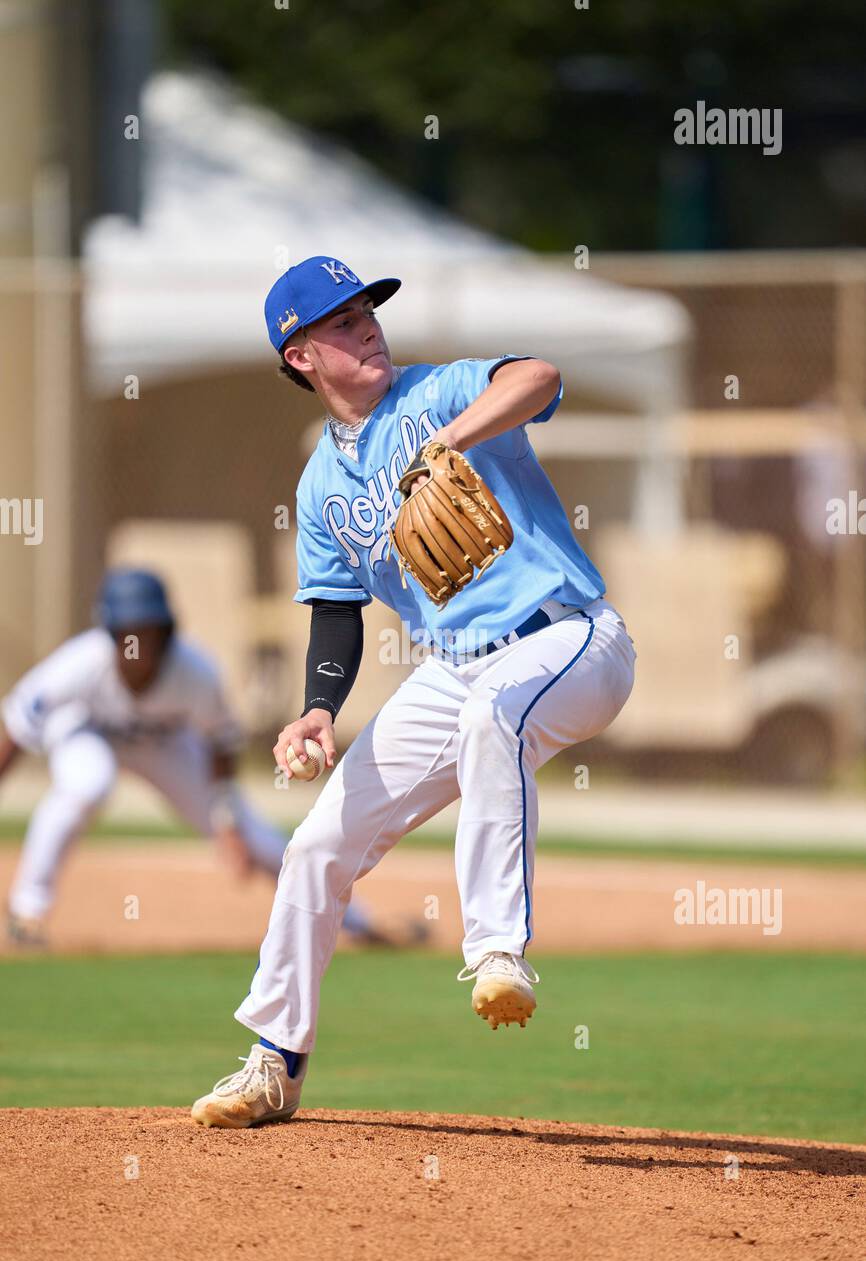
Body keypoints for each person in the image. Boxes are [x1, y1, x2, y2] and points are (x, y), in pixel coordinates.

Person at [190, 255, 636, 1129]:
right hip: (456, 668)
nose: (367, 327)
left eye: (368, 311)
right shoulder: (321, 485)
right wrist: (318, 709)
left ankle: (498, 950)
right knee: (318, 845)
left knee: (492, 714)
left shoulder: (438, 395)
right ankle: (275, 1061)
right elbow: (335, 612)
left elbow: (540, 376)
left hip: (572, 638)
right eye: (342, 322)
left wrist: (454, 439)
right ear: (300, 356)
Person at [0, 568, 381, 949]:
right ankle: (27, 911)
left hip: (163, 744)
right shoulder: (79, 663)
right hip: (86, 735)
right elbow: (16, 727)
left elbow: (221, 742)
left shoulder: (194, 670)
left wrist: (226, 820)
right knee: (86, 785)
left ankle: (357, 922)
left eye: (149, 631)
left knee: (253, 835)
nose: (139, 643)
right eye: (129, 632)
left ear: (166, 631)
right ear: (112, 633)